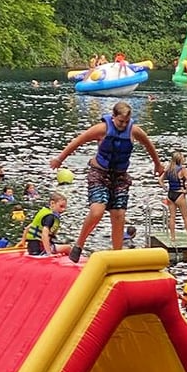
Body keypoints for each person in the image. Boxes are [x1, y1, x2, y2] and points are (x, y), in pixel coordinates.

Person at [49, 99, 164, 262]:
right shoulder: (102, 129)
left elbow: (149, 145)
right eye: (120, 121)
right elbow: (77, 142)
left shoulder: (134, 131)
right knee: (97, 210)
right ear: (113, 116)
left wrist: (158, 165)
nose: (123, 125)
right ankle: (79, 244)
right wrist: (60, 159)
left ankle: (117, 255)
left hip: (120, 177)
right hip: (99, 174)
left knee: (119, 214)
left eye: (126, 122)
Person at [159, 151, 187, 242]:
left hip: (170, 195)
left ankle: (173, 237)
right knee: (186, 217)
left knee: (172, 217)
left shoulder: (168, 169)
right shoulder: (182, 169)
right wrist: (186, 190)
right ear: (180, 159)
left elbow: (160, 180)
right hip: (179, 195)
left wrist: (165, 189)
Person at [20, 193, 70, 257]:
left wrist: (23, 242)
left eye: (65, 207)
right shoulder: (50, 217)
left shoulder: (44, 212)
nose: (63, 209)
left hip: (31, 248)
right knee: (68, 248)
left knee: (60, 245)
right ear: (52, 203)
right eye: (61, 206)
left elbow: (27, 228)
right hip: (40, 249)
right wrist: (49, 253)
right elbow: (44, 234)